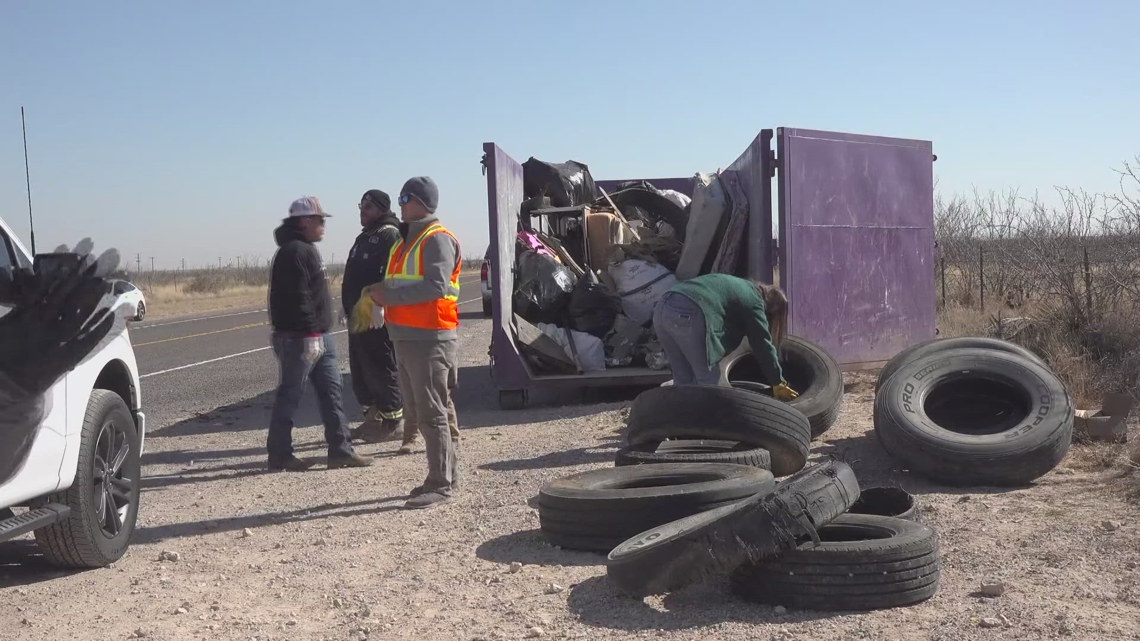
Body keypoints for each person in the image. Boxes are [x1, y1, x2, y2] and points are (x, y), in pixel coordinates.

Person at [359, 176, 461, 509]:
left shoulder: (435, 240)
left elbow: (434, 286)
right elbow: (400, 283)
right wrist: (376, 294)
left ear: (422, 202)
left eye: (406, 197)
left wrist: (388, 297)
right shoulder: (405, 242)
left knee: (433, 413)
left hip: (429, 339)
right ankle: (445, 475)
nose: (400, 203)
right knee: (430, 409)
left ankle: (440, 483)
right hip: (406, 337)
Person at [266, 196, 373, 472]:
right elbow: (299, 298)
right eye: (319, 220)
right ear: (305, 222)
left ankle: (340, 450)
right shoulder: (295, 251)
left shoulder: (306, 249)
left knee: (332, 392)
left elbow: (313, 294)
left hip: (317, 335)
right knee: (290, 394)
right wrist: (311, 333)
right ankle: (279, 455)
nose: (323, 225)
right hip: (300, 338)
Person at [653, 272, 800, 401]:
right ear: (770, 309)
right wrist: (777, 381)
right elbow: (762, 344)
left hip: (662, 308)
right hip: (689, 311)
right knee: (709, 381)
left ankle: (683, 427)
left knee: (683, 379)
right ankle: (708, 430)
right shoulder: (754, 301)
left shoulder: (741, 287)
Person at [341, 189, 404, 444]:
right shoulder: (364, 237)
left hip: (376, 316)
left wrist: (381, 304)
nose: (362, 211)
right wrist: (345, 306)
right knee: (361, 369)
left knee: (381, 367)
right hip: (358, 315)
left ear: (380, 209)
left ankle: (393, 422)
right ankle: (373, 419)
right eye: (361, 205)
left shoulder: (390, 234)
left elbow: (393, 274)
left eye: (367, 207)